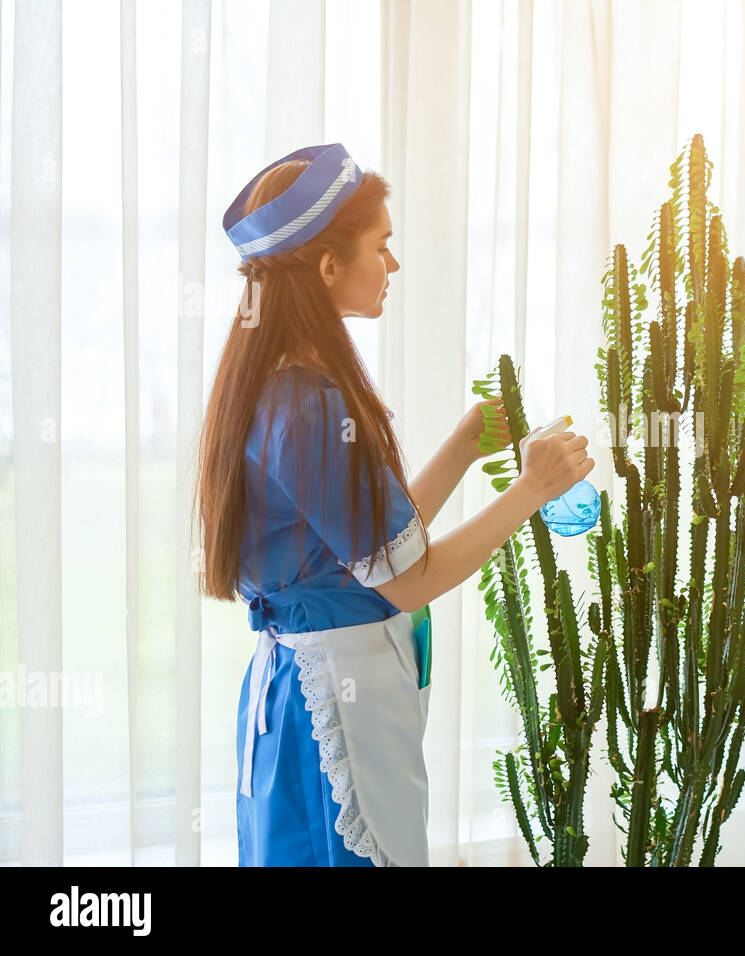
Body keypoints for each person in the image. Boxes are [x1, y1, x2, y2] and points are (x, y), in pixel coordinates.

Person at [194, 143, 594, 866]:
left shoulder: (285, 385)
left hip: (304, 690)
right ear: (326, 268)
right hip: (335, 702)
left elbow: (376, 546)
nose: (394, 265)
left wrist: (463, 447)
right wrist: (532, 490)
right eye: (382, 246)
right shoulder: (309, 403)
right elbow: (407, 579)